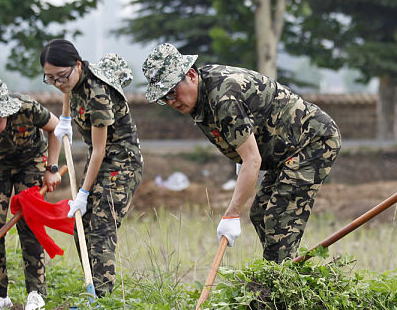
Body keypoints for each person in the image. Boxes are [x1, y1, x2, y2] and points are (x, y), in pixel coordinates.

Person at [141, 43, 341, 262]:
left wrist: (231, 213)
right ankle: (285, 272)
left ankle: (279, 282)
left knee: (279, 216)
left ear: (190, 75)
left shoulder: (222, 99)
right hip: (283, 152)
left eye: (172, 92)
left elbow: (252, 160)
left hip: (312, 141)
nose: (172, 102)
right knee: (260, 213)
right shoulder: (201, 92)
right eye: (164, 98)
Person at [40, 40, 142, 298]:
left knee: (100, 226)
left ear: (77, 64)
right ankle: (92, 290)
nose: (58, 83)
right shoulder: (72, 79)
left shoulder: (97, 93)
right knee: (81, 225)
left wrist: (83, 194)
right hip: (101, 159)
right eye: (50, 79)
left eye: (61, 76)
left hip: (121, 161)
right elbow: (67, 90)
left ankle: (102, 301)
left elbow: (100, 150)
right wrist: (64, 117)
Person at [0, 77, 61, 310]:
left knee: (29, 222)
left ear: (6, 112)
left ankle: (36, 292)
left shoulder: (27, 109)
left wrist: (52, 168)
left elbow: (57, 127)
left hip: (31, 162)